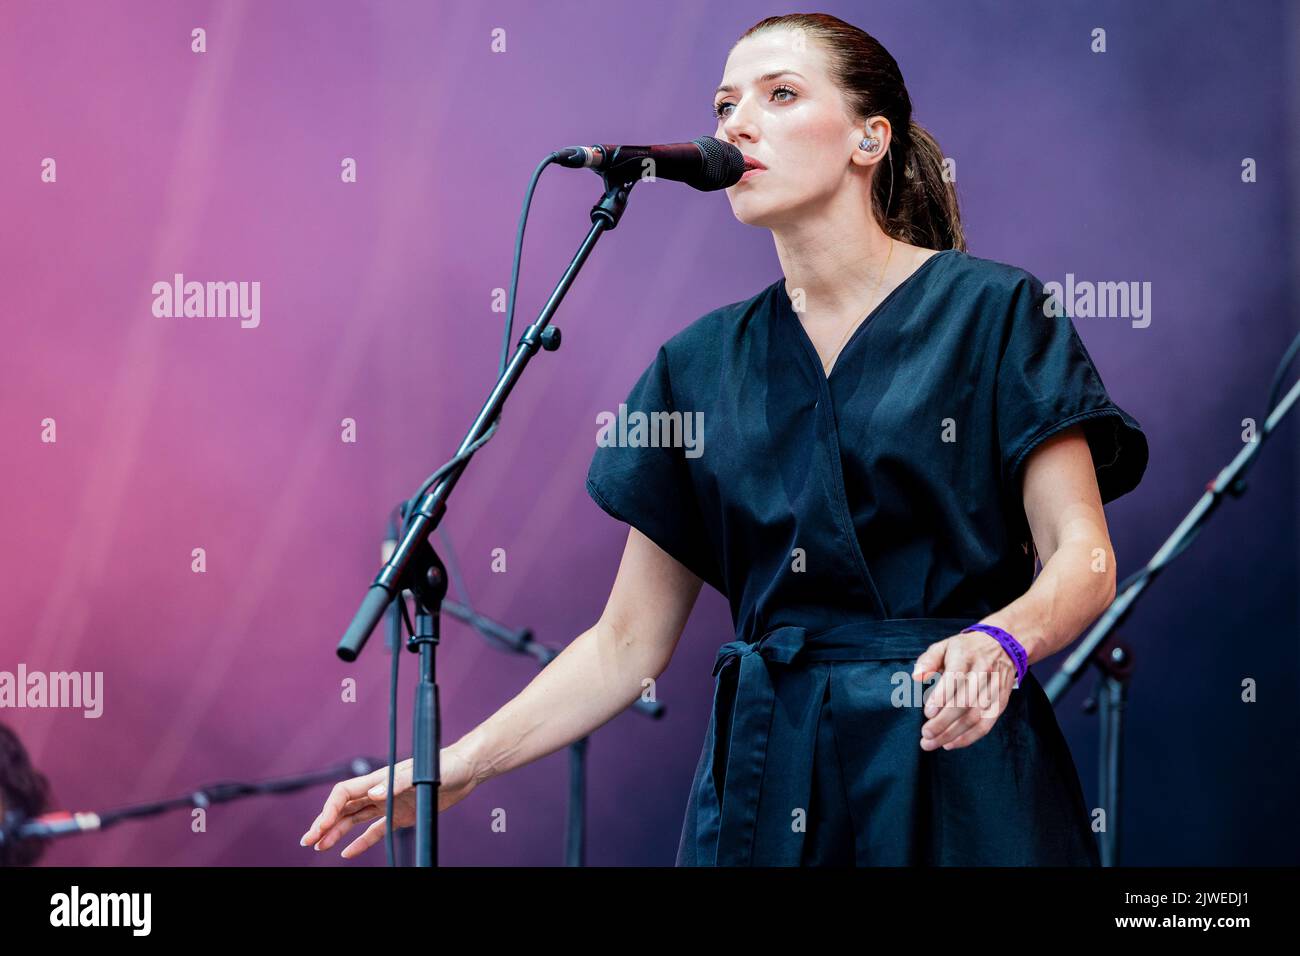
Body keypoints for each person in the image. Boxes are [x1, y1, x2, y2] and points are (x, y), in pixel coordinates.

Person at [300, 12, 1148, 865]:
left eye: (780, 95)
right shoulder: (698, 365)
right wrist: (459, 765)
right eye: (724, 104)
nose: (736, 124)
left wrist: (1004, 639)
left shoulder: (995, 311)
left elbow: (1084, 555)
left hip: (953, 755)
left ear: (869, 138)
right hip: (769, 772)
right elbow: (626, 644)